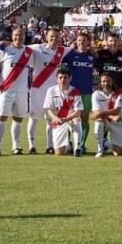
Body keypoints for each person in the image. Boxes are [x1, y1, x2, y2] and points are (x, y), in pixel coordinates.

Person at [0, 26, 37, 156]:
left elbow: (33, 68)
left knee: (18, 119)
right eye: (16, 35)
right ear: (12, 36)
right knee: (2, 117)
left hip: (22, 91)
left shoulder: (29, 52)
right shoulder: (6, 50)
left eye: (21, 35)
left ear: (24, 37)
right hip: (7, 90)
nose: (18, 38)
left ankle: (16, 146)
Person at [29, 26, 69, 154]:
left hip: (53, 91)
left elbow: (79, 49)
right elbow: (18, 47)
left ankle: (49, 146)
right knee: (33, 119)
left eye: (57, 37)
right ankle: (31, 145)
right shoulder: (36, 48)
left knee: (51, 120)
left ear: (60, 38)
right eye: (51, 36)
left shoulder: (63, 50)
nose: (54, 39)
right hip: (37, 89)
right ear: (46, 36)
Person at [66, 31, 97, 155]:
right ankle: (68, 143)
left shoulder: (93, 57)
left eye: (84, 40)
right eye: (79, 40)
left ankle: (82, 144)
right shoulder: (69, 55)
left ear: (88, 42)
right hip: (72, 92)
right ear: (76, 42)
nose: (81, 43)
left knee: (84, 119)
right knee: (71, 118)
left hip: (86, 92)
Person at [42, 67, 83, 156]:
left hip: (70, 118)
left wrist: (67, 119)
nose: (63, 80)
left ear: (70, 78)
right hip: (58, 120)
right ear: (57, 79)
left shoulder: (75, 91)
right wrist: (55, 118)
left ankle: (78, 148)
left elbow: (78, 112)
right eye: (60, 77)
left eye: (65, 77)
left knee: (77, 119)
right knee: (59, 153)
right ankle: (69, 145)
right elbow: (48, 109)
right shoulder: (51, 90)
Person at [91, 73, 122, 157]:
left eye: (108, 81)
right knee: (99, 122)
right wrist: (110, 116)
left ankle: (105, 143)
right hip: (105, 120)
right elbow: (97, 112)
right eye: (103, 81)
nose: (106, 83)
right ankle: (100, 150)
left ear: (112, 81)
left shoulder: (120, 92)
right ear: (100, 82)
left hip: (117, 122)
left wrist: (100, 113)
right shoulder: (96, 94)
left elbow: (116, 111)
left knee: (118, 153)